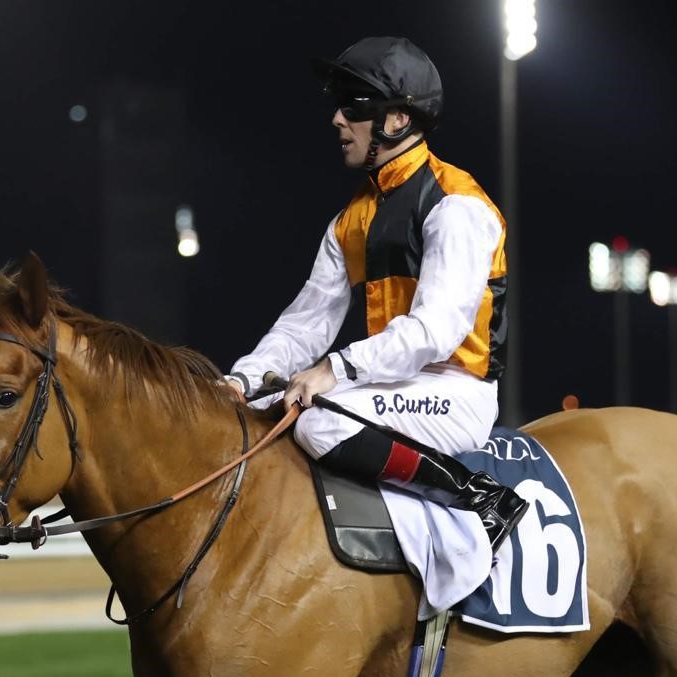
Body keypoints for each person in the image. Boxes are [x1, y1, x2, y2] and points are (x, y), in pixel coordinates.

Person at [225, 36, 527, 551]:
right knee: (266, 408)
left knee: (320, 422)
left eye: (354, 106)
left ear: (397, 120)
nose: (337, 119)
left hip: (457, 392)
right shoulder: (352, 219)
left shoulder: (456, 205)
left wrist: (335, 368)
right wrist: (241, 380)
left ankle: (479, 498)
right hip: (391, 386)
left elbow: (435, 332)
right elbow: (305, 324)